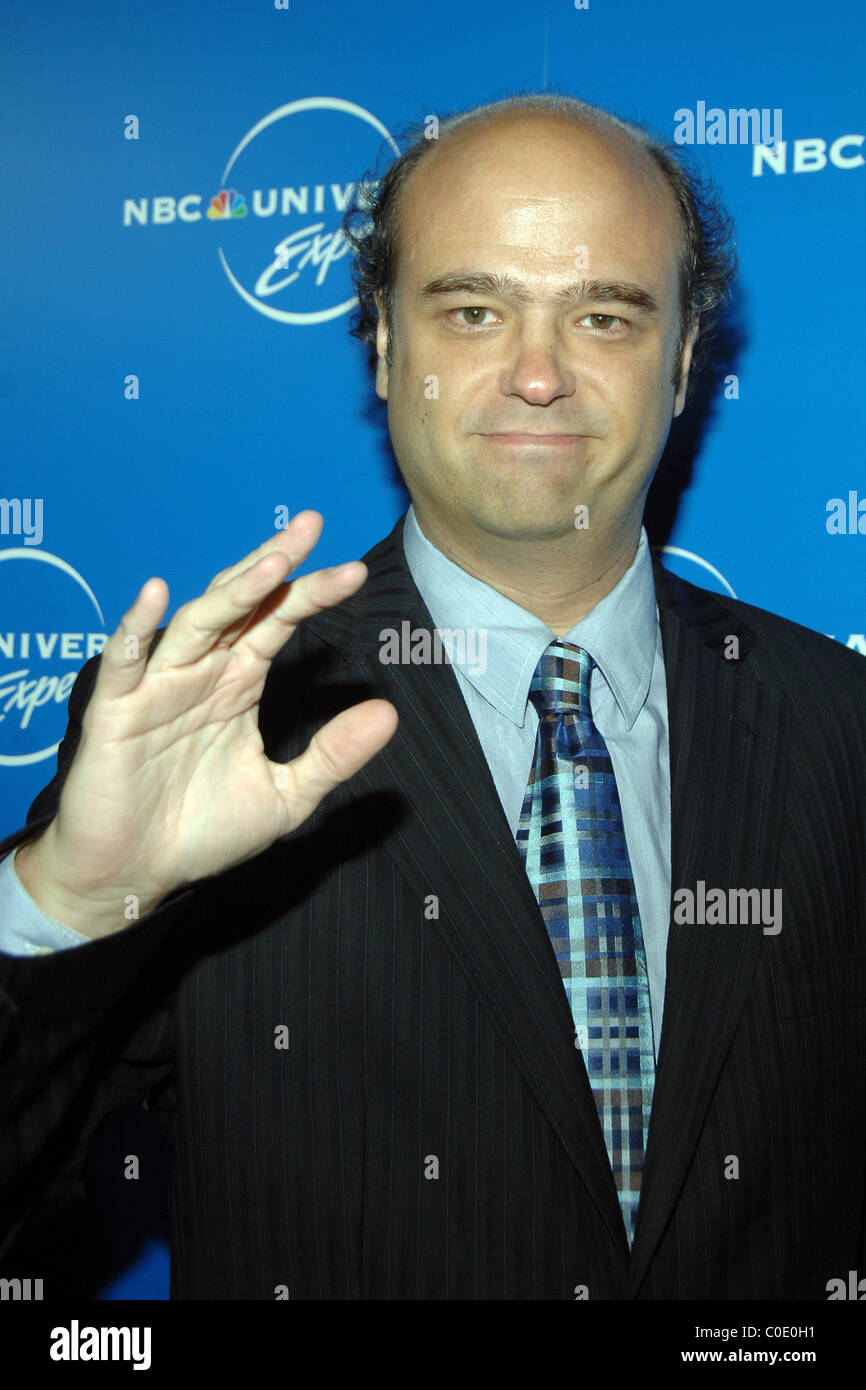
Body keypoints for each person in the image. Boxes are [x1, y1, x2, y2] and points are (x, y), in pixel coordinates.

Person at [1, 90, 864, 1301]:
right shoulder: (217, 725)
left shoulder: (838, 726)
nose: (535, 374)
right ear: (384, 347)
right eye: (472, 309)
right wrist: (68, 902)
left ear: (679, 362)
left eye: (603, 315)